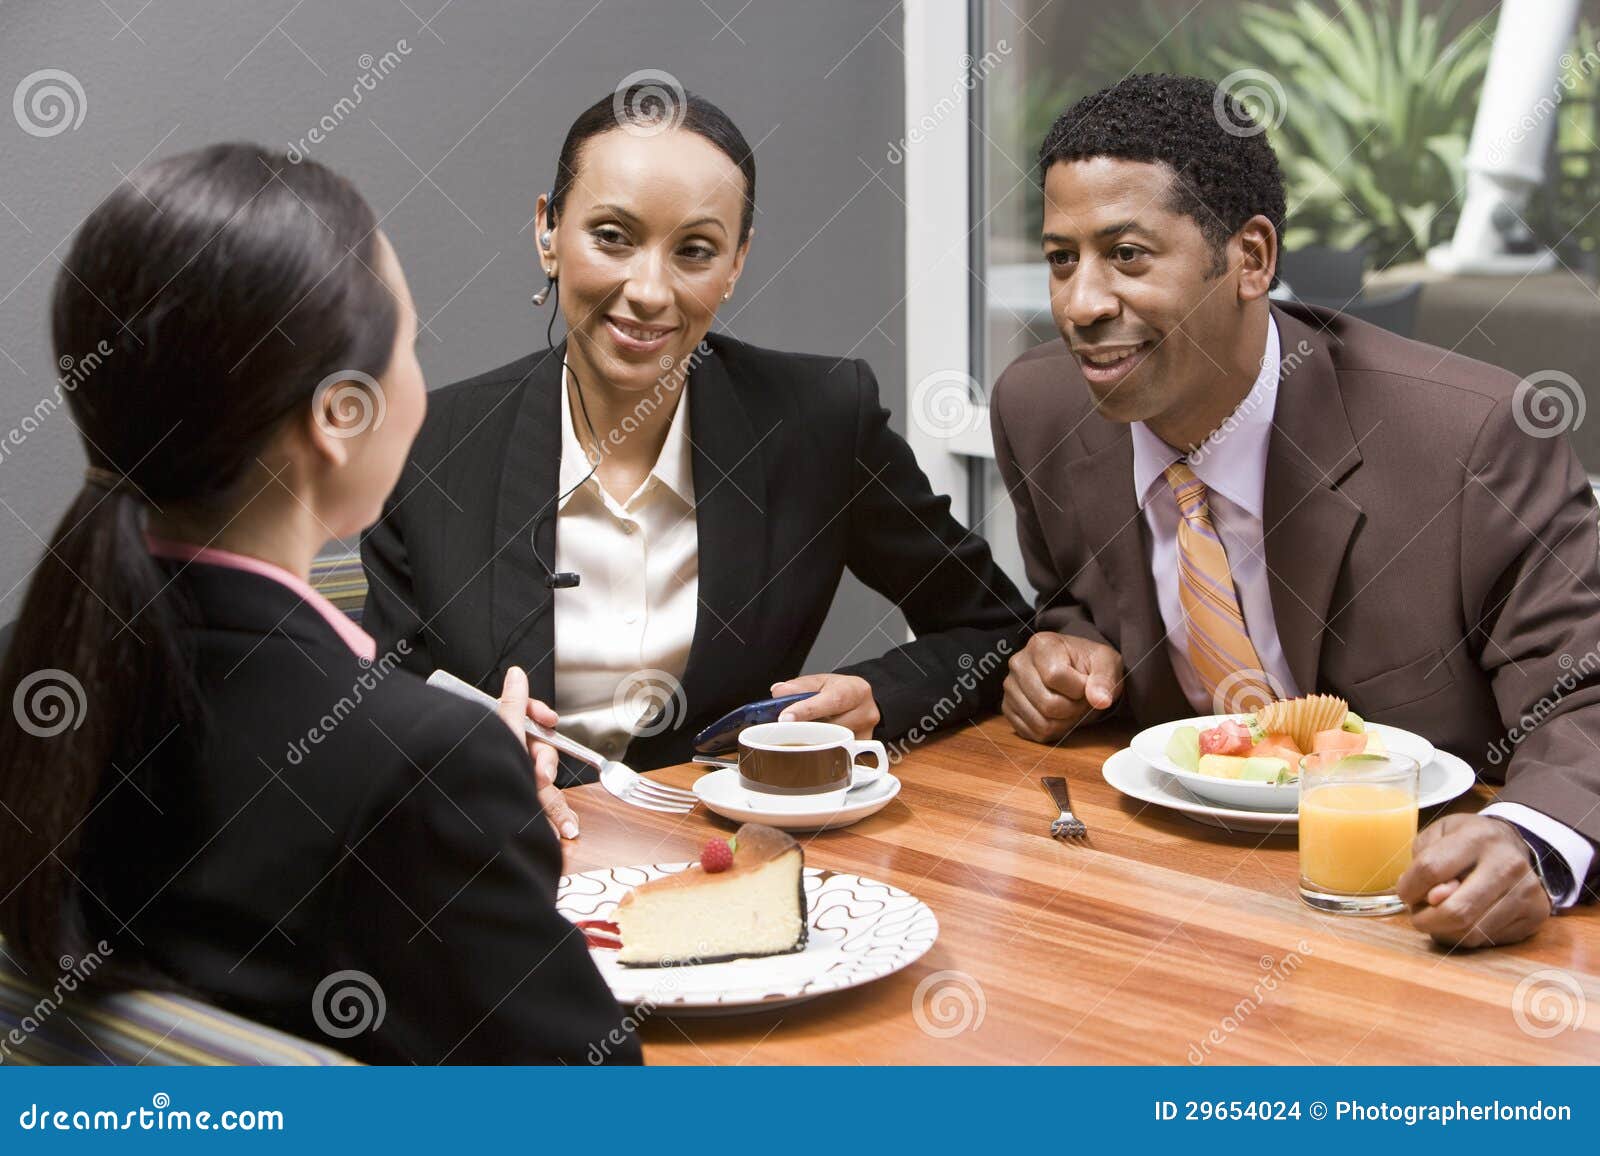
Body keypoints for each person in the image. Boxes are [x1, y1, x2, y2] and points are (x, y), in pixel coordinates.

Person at [0, 143, 638, 1064]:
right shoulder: (423, 770)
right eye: (409, 346)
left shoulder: (31, 674)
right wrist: (468, 812)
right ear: (338, 417)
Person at [992, 74, 1598, 947]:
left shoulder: (1471, 439)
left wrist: (1530, 841)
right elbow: (1077, 599)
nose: (1081, 304)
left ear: (1251, 259)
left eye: (1127, 255)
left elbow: (1583, 690)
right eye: (1061, 259)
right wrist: (1067, 654)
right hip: (1161, 891)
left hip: (1411, 914)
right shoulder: (1039, 409)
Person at [361, 85, 1030, 802]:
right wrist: (464, 750)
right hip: (504, 864)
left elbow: (993, 631)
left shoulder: (821, 422)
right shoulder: (432, 445)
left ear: (737, 263)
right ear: (547, 232)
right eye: (612, 237)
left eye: (696, 250)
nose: (650, 290)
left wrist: (879, 693)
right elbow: (378, 711)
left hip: (730, 865)